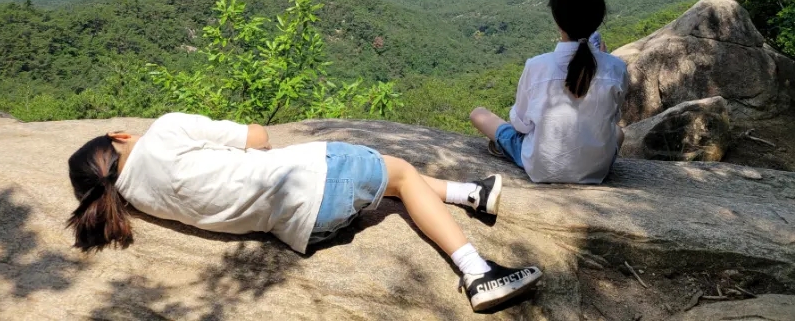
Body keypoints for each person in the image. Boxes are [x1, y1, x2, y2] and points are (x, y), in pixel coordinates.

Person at [67, 113, 543, 312]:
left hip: (299, 227)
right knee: (398, 173)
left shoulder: (136, 202)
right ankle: (476, 272)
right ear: (119, 136)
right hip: (314, 182)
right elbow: (259, 138)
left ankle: (470, 195)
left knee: (386, 183)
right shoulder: (164, 130)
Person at [469, 0, 628, 184]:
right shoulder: (616, 67)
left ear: (557, 20)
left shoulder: (537, 65)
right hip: (595, 171)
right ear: (598, 20)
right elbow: (613, 118)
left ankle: (506, 150)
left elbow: (521, 125)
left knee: (478, 114)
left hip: (541, 167)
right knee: (618, 133)